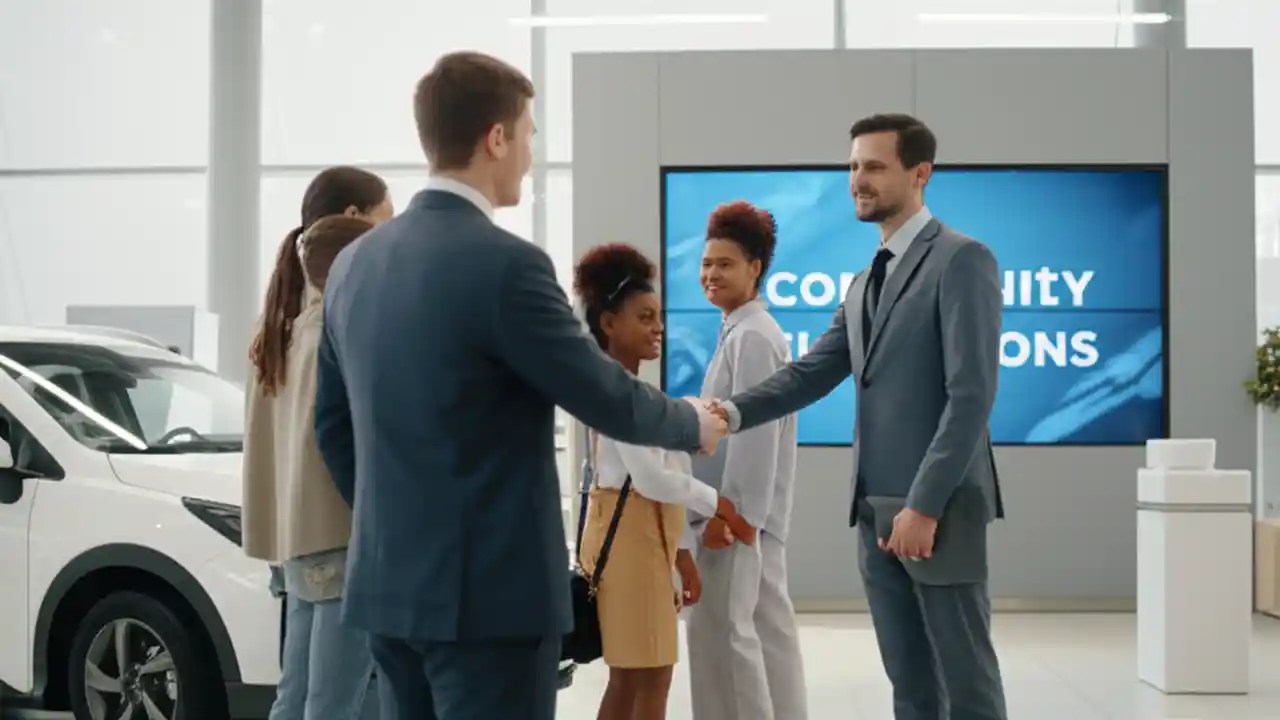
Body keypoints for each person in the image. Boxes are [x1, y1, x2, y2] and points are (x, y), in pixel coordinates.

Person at [313, 51, 727, 720]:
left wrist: (397, 524)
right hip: (490, 604)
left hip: (388, 587)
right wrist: (692, 423)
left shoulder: (355, 265)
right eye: (529, 133)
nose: (531, 154)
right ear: (496, 137)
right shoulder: (507, 265)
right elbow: (601, 392)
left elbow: (332, 427)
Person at [710, 113, 1009, 720]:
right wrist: (730, 412)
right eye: (852, 166)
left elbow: (971, 396)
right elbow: (812, 372)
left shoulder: (961, 260)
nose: (857, 180)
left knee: (966, 682)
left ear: (920, 173)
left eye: (874, 166)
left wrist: (924, 505)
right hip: (873, 511)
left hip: (937, 509)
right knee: (911, 684)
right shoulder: (861, 281)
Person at [571, 244, 754, 720]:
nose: (658, 328)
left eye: (658, 317)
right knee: (643, 676)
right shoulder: (612, 394)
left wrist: (683, 553)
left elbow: (668, 475)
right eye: (645, 317)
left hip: (648, 542)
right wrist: (719, 504)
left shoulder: (638, 394)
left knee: (643, 676)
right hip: (629, 545)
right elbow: (652, 479)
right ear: (609, 323)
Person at [243, 169, 393, 720]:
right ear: (353, 220)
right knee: (334, 704)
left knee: (299, 696)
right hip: (341, 532)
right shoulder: (332, 320)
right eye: (385, 218)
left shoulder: (280, 323)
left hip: (298, 538)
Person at [685, 201, 807, 720]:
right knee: (763, 638)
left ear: (755, 268)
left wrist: (728, 519)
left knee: (730, 644)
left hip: (734, 525)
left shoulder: (754, 336)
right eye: (707, 263)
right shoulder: (740, 329)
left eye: (725, 264)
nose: (711, 274)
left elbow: (755, 442)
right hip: (738, 519)